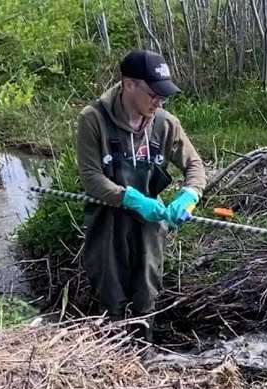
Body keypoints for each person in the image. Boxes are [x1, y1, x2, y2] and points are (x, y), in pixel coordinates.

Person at [75, 49, 207, 346]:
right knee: (111, 294)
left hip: (151, 224)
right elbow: (92, 178)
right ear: (128, 84)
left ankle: (143, 355)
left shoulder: (165, 123)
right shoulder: (93, 119)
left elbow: (195, 166)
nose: (158, 101)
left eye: (163, 95)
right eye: (152, 93)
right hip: (107, 220)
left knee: (147, 291)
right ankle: (113, 361)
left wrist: (189, 194)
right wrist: (130, 199)